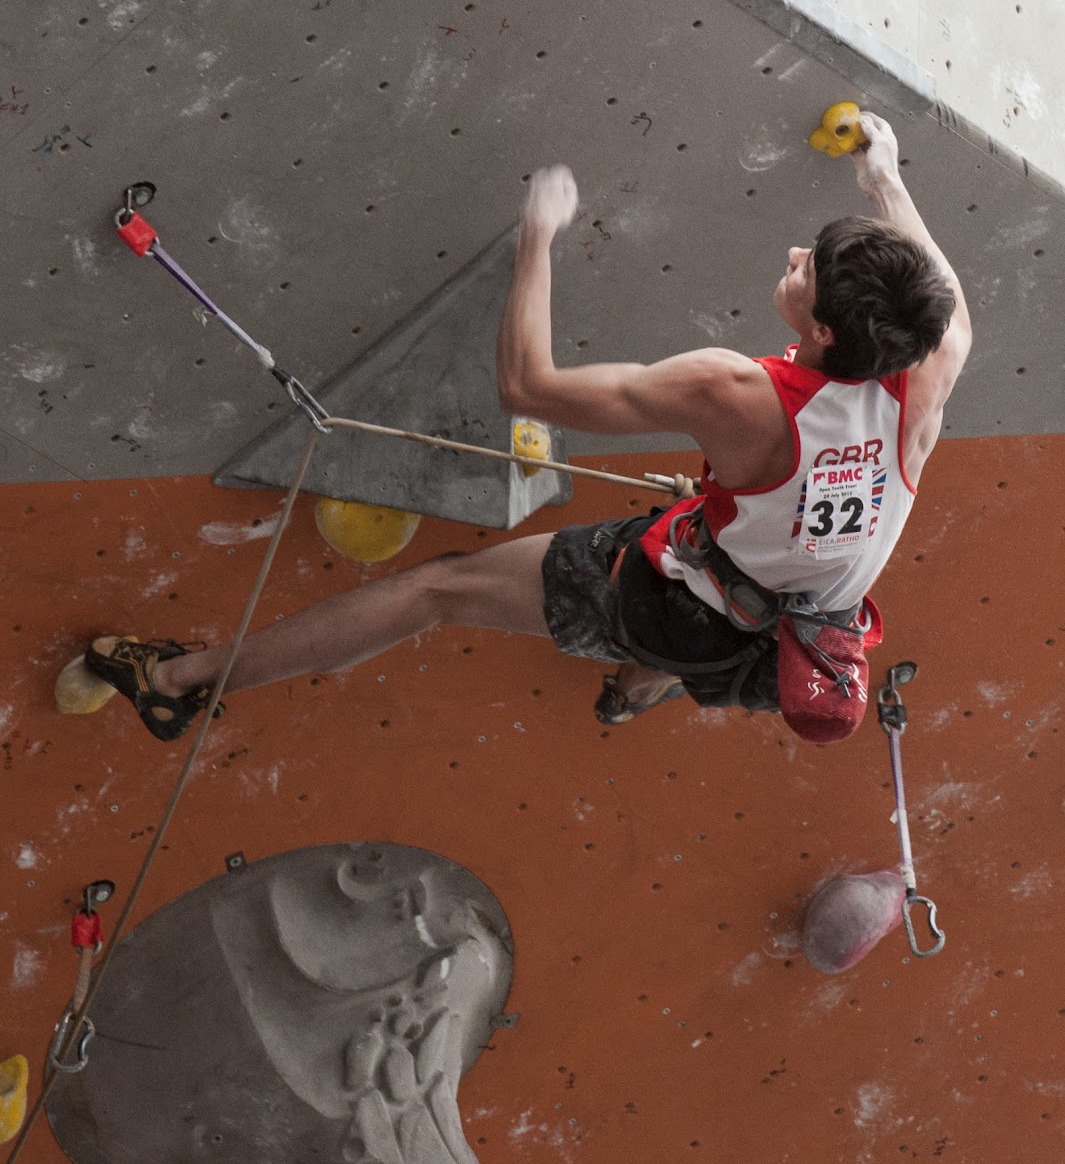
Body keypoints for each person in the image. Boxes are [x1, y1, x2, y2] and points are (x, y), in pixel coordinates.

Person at [79, 113, 970, 742]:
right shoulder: (918, 386)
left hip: (692, 600)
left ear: (820, 332)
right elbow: (949, 302)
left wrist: (535, 239)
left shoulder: (738, 393)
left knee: (434, 589)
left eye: (806, 268)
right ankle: (637, 691)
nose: (791, 257)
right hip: (794, 610)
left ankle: (176, 684)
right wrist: (883, 179)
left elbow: (526, 385)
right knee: (702, 579)